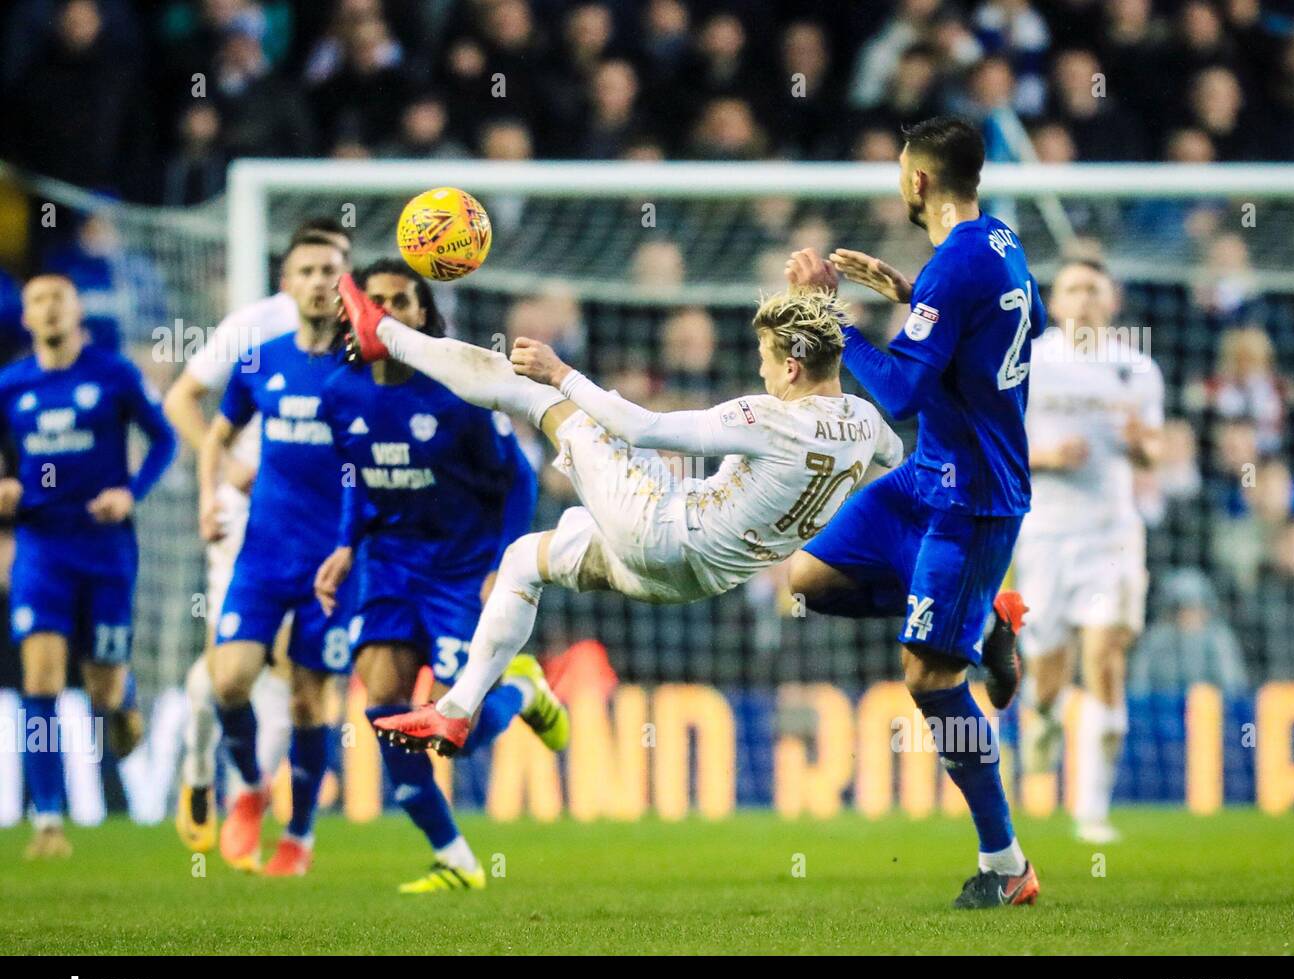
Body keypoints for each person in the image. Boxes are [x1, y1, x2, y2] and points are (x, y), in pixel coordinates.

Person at [332, 279, 902, 764]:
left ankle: (380, 332)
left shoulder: (769, 418)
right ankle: (456, 710)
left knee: (528, 393)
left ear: (794, 366)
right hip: (698, 578)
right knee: (523, 562)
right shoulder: (868, 426)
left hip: (659, 532)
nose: (761, 369)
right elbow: (901, 461)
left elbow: (644, 428)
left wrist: (563, 374)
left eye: (766, 359)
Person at [783, 116, 1045, 908]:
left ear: (919, 182)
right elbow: (981, 332)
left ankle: (1007, 866)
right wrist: (908, 295)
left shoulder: (956, 269)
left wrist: (833, 316)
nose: (899, 181)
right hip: (928, 478)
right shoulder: (995, 242)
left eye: (902, 169)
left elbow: (897, 393)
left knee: (928, 679)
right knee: (808, 579)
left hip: (974, 499)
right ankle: (983, 621)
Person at [312, 260, 565, 893]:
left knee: (458, 736)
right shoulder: (339, 392)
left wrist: (504, 567)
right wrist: (346, 546)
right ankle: (454, 856)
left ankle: (523, 692)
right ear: (357, 312)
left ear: (424, 316)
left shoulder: (459, 393)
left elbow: (520, 479)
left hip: (460, 571)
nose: (389, 310)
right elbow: (357, 478)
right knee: (384, 707)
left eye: (403, 301)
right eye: (377, 300)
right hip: (389, 566)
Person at [165, 218, 351, 856]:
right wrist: (208, 498)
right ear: (286, 282)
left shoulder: (365, 363)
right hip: (261, 553)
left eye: (331, 270)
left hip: (333, 561)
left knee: (307, 701)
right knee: (230, 681)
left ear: (346, 279)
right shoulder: (259, 356)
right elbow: (214, 432)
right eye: (307, 270)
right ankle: (247, 785)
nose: (320, 282)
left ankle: (298, 836)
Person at [0, 274, 175, 858]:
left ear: (78, 311)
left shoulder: (113, 373)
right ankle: (48, 820)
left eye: (58, 298)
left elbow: (165, 440)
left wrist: (130, 491)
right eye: (37, 302)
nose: (48, 309)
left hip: (104, 546)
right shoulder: (11, 385)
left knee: (102, 689)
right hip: (42, 546)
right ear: (26, 318)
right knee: (40, 681)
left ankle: (121, 707)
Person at [1015, 258, 1162, 843]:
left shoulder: (1136, 368)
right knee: (1049, 673)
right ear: (1056, 299)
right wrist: (1045, 458)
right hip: (1045, 535)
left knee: (1104, 656)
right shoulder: (1029, 363)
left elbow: (1154, 450)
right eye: (1072, 289)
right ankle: (1043, 718)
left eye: (1093, 290)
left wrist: (1140, 446)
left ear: (1111, 300)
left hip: (1112, 534)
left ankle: (1092, 809)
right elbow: (992, 447)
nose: (1082, 299)